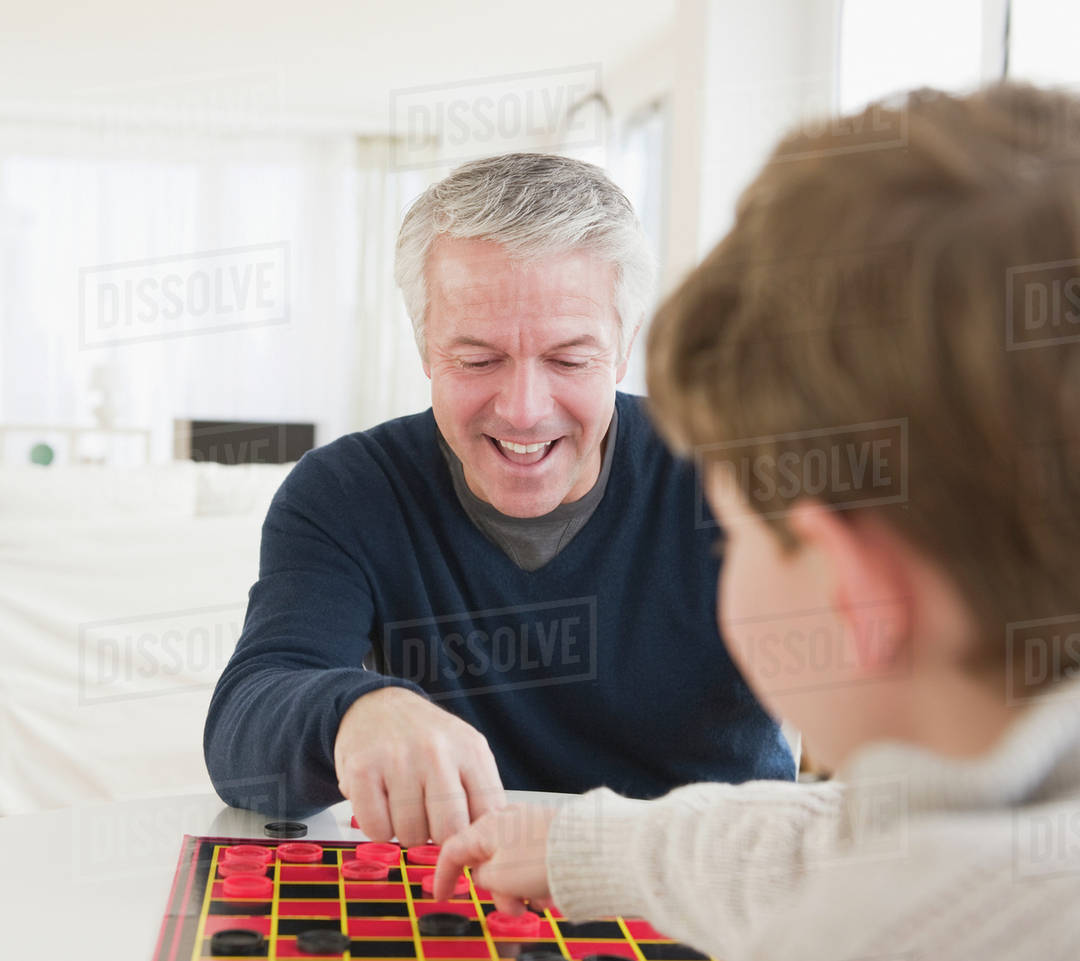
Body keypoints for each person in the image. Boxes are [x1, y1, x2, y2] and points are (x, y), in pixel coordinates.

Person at [432, 85, 1080, 959]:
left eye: (735, 533)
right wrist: (591, 844)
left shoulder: (885, 930)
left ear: (849, 583)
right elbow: (831, 837)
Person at [204, 153, 794, 843]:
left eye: (570, 359)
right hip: (466, 902)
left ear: (625, 346)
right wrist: (354, 711)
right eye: (478, 360)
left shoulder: (730, 471)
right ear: (426, 347)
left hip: (712, 889)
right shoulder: (346, 491)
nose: (523, 410)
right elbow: (245, 726)